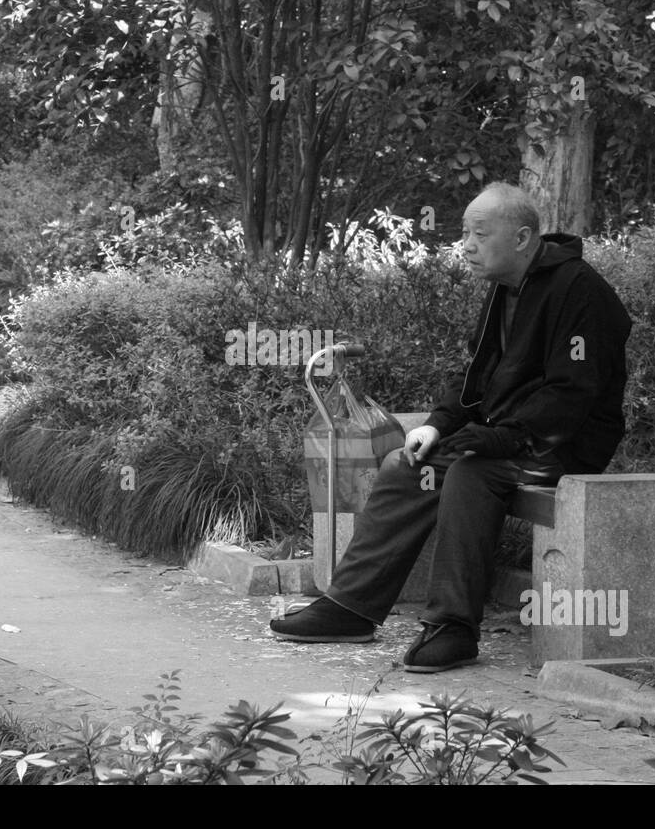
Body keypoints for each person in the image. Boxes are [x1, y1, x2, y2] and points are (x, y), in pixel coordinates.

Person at [270, 181, 633, 672]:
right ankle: (351, 607)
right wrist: (439, 426)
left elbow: (572, 395)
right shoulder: (506, 291)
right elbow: (474, 380)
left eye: (479, 234)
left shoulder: (581, 293)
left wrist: (494, 438)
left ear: (523, 238)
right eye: (464, 233)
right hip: (504, 439)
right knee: (405, 464)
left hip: (561, 445)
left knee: (469, 472)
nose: (465, 245)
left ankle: (453, 627)